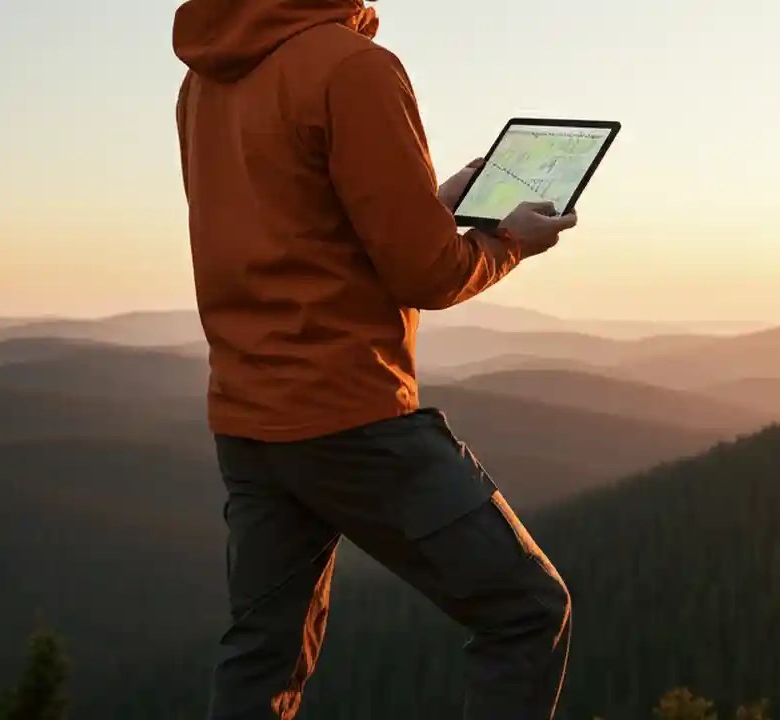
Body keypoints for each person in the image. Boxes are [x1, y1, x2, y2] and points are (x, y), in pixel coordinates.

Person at [172, 0, 577, 718]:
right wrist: (509, 240)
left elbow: (295, 221)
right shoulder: (354, 69)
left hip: (246, 415)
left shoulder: (205, 79)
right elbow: (428, 272)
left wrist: (432, 201)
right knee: (527, 609)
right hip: (349, 414)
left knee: (261, 660)